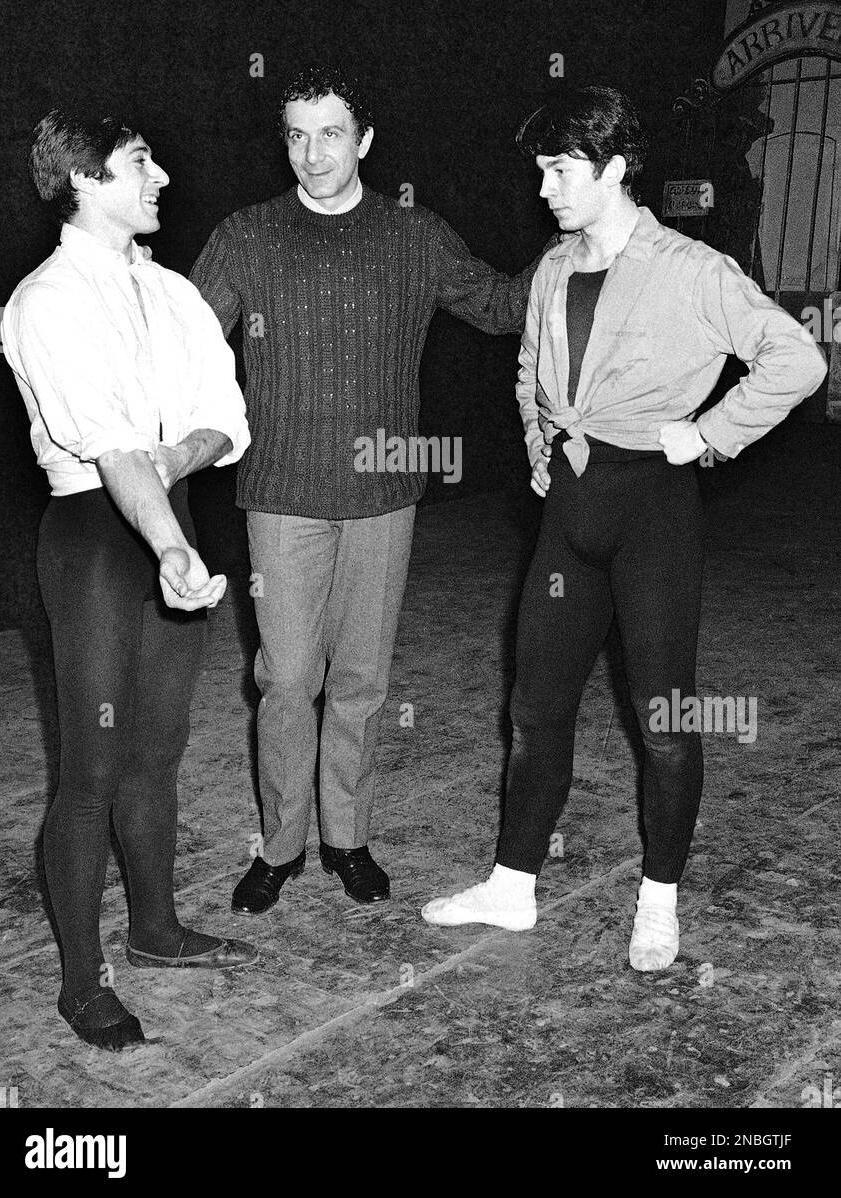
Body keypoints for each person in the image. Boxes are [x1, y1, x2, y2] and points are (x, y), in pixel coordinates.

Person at [422, 85, 827, 970]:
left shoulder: (690, 268)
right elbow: (530, 369)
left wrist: (711, 434)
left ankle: (659, 901)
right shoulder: (556, 265)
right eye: (540, 170)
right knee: (533, 710)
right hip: (568, 515)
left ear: (613, 168)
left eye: (562, 170)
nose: (545, 188)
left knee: (666, 722)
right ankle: (512, 885)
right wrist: (540, 446)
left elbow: (796, 357)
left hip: (652, 513)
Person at [190, 65, 552, 914]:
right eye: (296, 135)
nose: (311, 154)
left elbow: (501, 306)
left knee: (361, 681)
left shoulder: (413, 235)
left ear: (366, 141)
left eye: (330, 134)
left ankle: (346, 839)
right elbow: (185, 340)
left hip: (385, 493)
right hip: (280, 490)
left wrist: (575, 243)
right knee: (285, 679)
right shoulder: (247, 235)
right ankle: (279, 844)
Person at [2, 109, 257, 1051]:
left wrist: (175, 466)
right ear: (84, 180)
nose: (161, 180)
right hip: (98, 543)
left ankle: (153, 929)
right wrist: (170, 548)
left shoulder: (174, 293)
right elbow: (110, 450)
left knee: (158, 752)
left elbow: (224, 420)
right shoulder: (47, 300)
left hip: (164, 519)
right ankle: (81, 982)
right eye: (141, 164)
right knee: (92, 772)